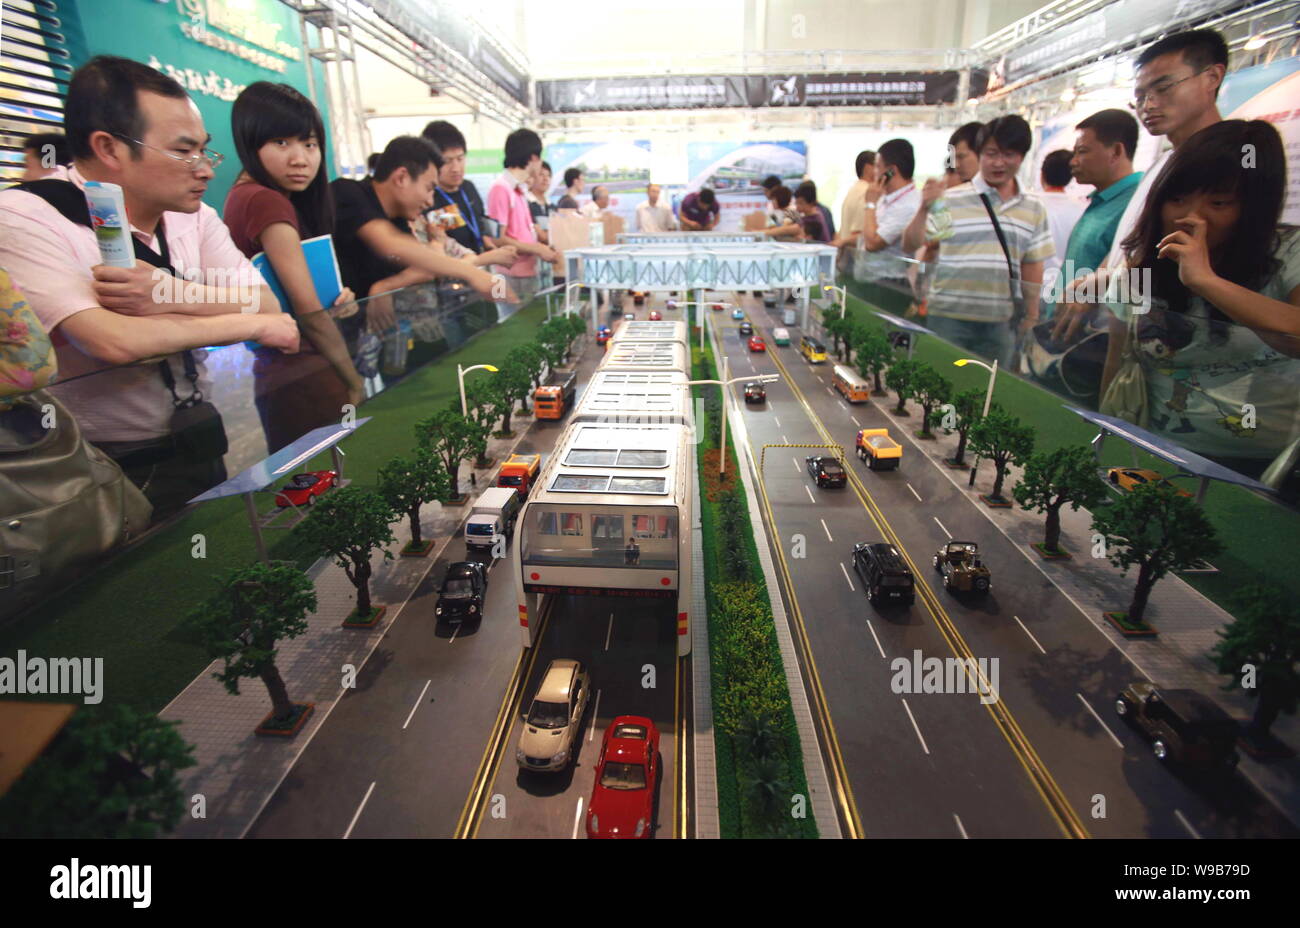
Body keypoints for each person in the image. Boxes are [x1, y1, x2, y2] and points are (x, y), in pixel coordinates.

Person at [0, 56, 299, 518]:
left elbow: (264, 300)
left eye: (205, 150)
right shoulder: (26, 216)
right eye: (183, 151)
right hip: (93, 464)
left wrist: (169, 294)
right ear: (110, 147)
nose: (204, 169)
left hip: (197, 438)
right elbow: (112, 341)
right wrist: (254, 326)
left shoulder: (195, 216)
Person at [1100, 119, 1299, 466]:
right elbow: (1116, 360)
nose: (1190, 217)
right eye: (1177, 199)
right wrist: (1106, 436)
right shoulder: (1139, 267)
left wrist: (1206, 280)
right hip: (1152, 448)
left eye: (1219, 203)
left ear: (1253, 208)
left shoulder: (1288, 252)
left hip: (1257, 468)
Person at [1054, 28, 1227, 343]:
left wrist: (1110, 281)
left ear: (1212, 77)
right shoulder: (1162, 165)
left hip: (1185, 342)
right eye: (1140, 96)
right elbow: (1129, 245)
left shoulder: (1234, 162)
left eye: (1163, 87)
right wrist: (1103, 281)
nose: (1149, 104)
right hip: (1128, 328)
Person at [223, 81, 364, 455]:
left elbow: (308, 298)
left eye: (310, 144)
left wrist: (336, 299)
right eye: (281, 143)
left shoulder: (248, 197)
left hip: (288, 371)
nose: (300, 158)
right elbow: (309, 311)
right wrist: (353, 379)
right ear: (249, 142)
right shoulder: (265, 202)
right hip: (302, 371)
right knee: (322, 485)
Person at [908, 115, 1055, 367]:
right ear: (980, 154)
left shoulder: (1033, 208)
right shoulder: (950, 200)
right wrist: (924, 208)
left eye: (1008, 154)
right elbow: (921, 247)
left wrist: (1032, 316)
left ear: (1021, 157)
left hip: (1000, 322)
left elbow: (1032, 265)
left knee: (989, 396)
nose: (999, 162)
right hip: (948, 316)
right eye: (991, 153)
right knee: (939, 388)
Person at [330, 135, 511, 336]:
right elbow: (390, 244)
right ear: (402, 178)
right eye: (429, 188)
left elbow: (426, 267)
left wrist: (385, 286)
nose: (429, 201)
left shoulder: (398, 218)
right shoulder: (347, 193)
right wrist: (472, 273)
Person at [1042, 109, 1143, 319]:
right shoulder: (1101, 200)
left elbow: (1132, 274)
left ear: (1115, 152)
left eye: (1082, 151)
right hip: (1061, 328)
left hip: (1092, 335)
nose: (1073, 161)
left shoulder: (1138, 203)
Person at [487, 128, 558, 314]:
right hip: (506, 275)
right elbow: (498, 239)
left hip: (526, 272)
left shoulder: (518, 190)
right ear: (533, 158)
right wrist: (537, 249)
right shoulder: (501, 188)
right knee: (509, 328)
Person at [901, 121, 982, 262]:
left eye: (962, 157)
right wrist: (924, 207)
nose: (956, 165)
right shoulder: (951, 200)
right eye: (954, 158)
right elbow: (911, 244)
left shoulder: (1010, 203)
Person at [857, 138, 921, 315]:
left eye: (878, 167)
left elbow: (872, 243)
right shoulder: (885, 198)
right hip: (872, 281)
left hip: (889, 286)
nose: (874, 174)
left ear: (891, 171)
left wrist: (870, 204)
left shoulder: (908, 205)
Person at [421, 120, 493, 255]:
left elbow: (478, 222)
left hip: (480, 263)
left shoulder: (469, 188)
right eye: (447, 161)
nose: (456, 168)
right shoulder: (428, 199)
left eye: (460, 159)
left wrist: (486, 242)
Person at [1037, 150, 1087, 278]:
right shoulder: (1084, 209)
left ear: (1042, 174)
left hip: (1033, 284)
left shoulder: (1030, 206)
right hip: (1069, 285)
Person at [831, 149, 875, 271]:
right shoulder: (866, 193)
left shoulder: (853, 190)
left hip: (848, 262)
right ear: (868, 168)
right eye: (878, 166)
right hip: (857, 264)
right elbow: (858, 233)